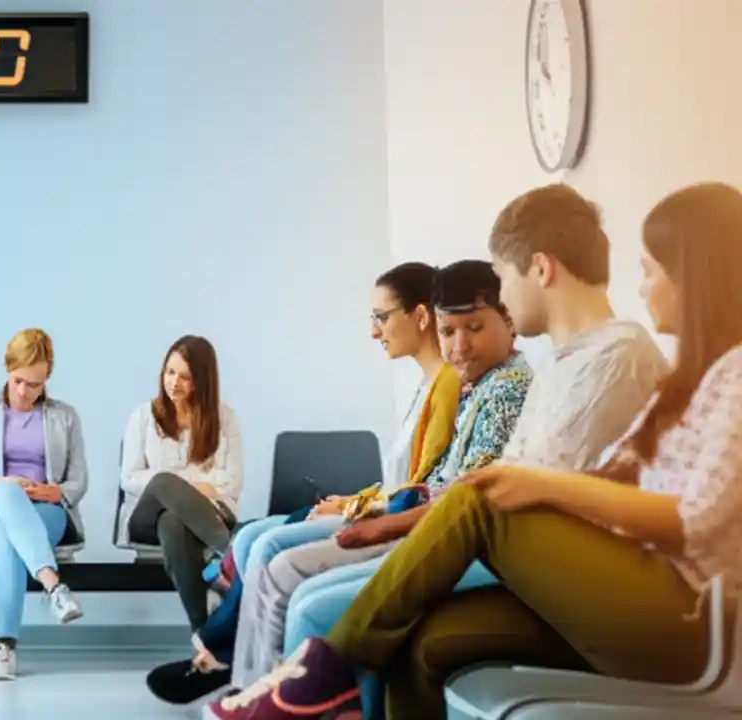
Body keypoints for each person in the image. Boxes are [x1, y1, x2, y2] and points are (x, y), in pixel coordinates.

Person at [211, 182, 742, 720]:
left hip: (693, 619)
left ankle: (323, 672)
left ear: (693, 275)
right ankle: (324, 674)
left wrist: (540, 485)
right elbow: (615, 478)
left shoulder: (732, 375)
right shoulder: (695, 380)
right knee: (420, 644)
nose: (642, 284)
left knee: (482, 501)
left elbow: (693, 522)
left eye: (651, 269)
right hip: (639, 587)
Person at [145, 262, 461, 703]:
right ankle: (230, 648)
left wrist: (356, 506)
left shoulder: (445, 385)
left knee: (266, 545)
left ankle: (226, 659)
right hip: (381, 506)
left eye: (381, 317)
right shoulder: (425, 387)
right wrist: (353, 499)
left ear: (421, 316)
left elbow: (418, 487)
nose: (374, 332)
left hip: (395, 518)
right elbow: (407, 481)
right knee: (252, 535)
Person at [224, 260, 535, 698]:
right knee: (265, 548)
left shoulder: (497, 386)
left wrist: (378, 516)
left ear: (511, 323)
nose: (460, 345)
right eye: (450, 332)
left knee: (290, 574)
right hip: (429, 517)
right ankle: (252, 683)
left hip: (447, 531)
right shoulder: (473, 384)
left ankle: (262, 690)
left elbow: (459, 491)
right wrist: (368, 507)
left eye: (475, 327)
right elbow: (433, 483)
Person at [0, 328, 87, 680]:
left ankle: (3, 647)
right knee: (7, 500)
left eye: (35, 384)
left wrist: (51, 492)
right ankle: (53, 586)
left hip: (45, 512)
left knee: (5, 535)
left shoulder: (65, 417)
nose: (25, 392)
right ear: (7, 370)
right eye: (18, 381)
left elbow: (78, 481)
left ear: (47, 379)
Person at [120, 335, 244, 632]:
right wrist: (190, 486)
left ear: (203, 381)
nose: (174, 382)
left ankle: (202, 634)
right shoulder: (142, 417)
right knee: (164, 482)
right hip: (145, 518)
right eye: (170, 372)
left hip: (205, 517)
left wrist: (187, 492)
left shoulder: (224, 418)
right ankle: (231, 556)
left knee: (174, 523)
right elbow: (131, 478)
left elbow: (233, 481)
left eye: (185, 377)